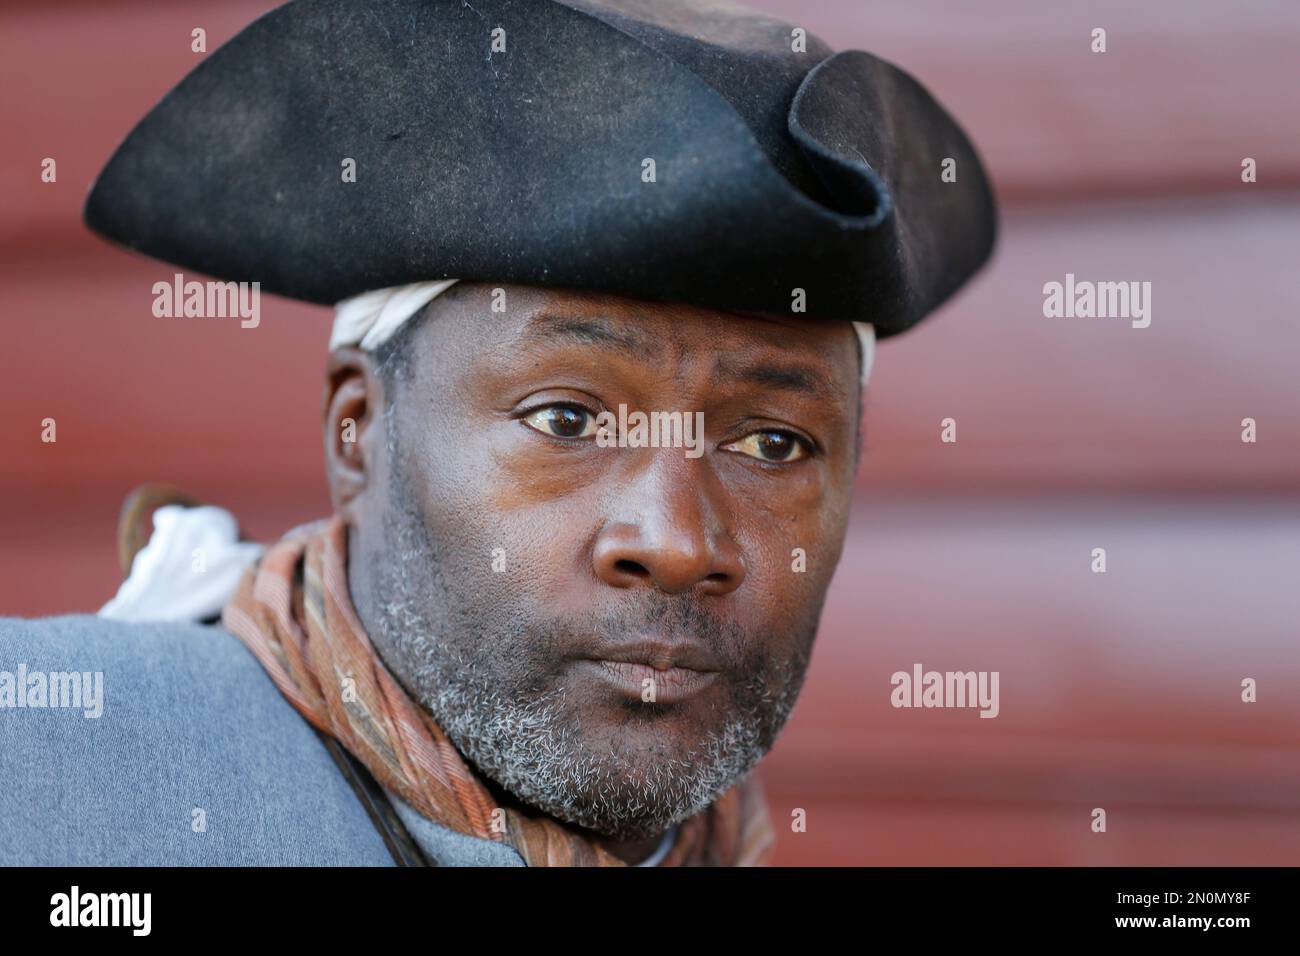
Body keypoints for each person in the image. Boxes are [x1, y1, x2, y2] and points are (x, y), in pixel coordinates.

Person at [0, 0, 995, 866]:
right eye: (566, 417)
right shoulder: (42, 759)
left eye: (772, 443)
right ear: (359, 433)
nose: (676, 540)